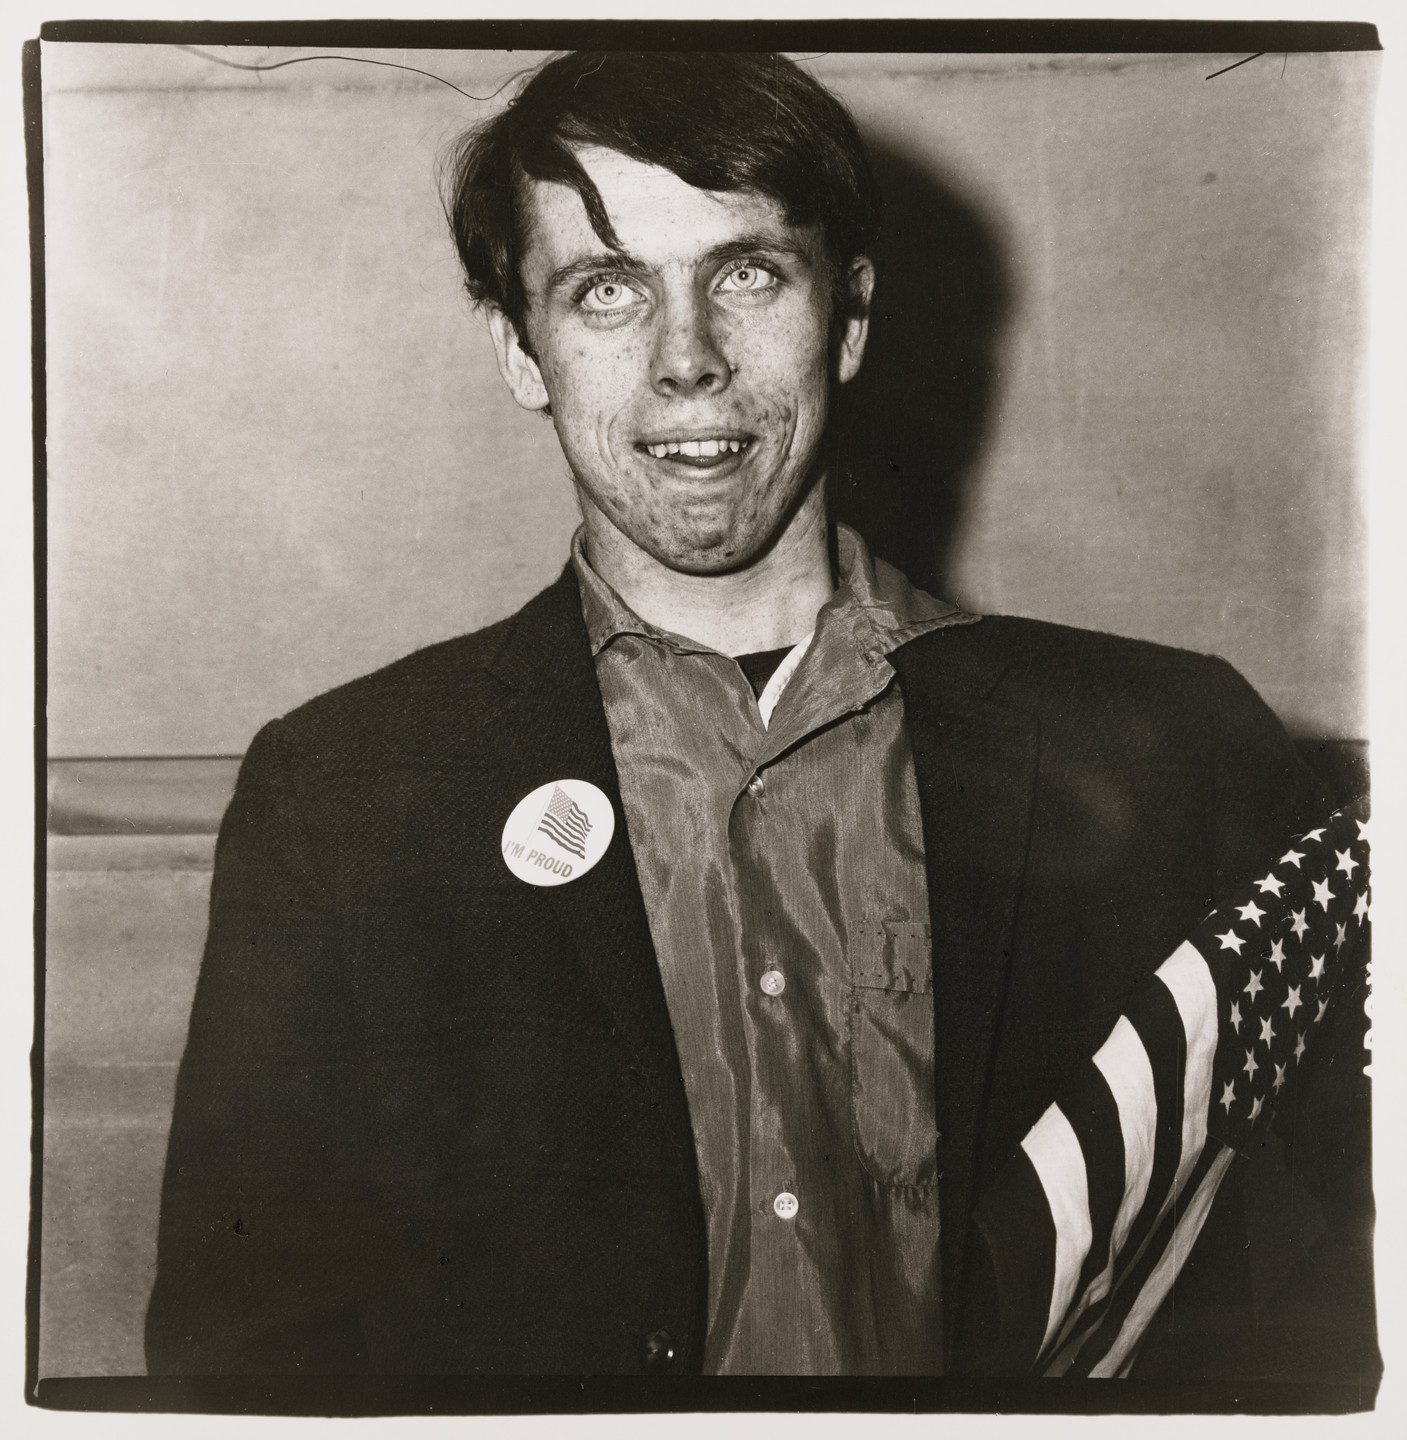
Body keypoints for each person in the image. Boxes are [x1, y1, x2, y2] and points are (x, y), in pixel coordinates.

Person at [145, 51, 1373, 1381]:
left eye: (747, 274)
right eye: (606, 292)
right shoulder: (345, 800)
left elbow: (1337, 1289)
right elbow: (246, 1359)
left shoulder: (1177, 754)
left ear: (845, 319)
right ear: (519, 349)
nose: (689, 362)